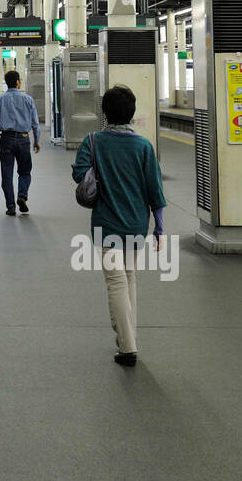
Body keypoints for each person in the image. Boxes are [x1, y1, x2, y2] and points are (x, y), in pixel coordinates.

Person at [72, 85, 166, 368]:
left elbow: (79, 175)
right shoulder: (144, 147)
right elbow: (156, 192)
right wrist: (159, 229)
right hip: (137, 224)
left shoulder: (93, 142)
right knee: (129, 277)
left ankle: (127, 347)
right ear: (132, 113)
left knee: (116, 281)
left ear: (105, 113)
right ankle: (127, 335)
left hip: (106, 224)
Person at [0, 70, 40, 215]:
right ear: (17, 82)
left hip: (6, 139)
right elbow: (35, 123)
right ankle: (22, 196)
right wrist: (37, 140)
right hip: (23, 139)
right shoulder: (28, 99)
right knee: (25, 172)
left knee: (7, 174)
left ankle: (10, 206)